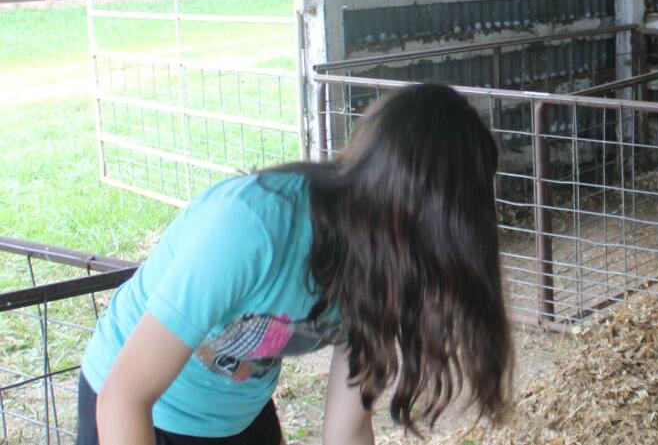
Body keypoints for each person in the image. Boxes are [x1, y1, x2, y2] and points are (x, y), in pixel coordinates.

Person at [77, 83, 513, 445]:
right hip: (138, 411)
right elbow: (125, 397)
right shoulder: (251, 226)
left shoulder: (381, 273)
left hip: (239, 416)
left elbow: (348, 431)